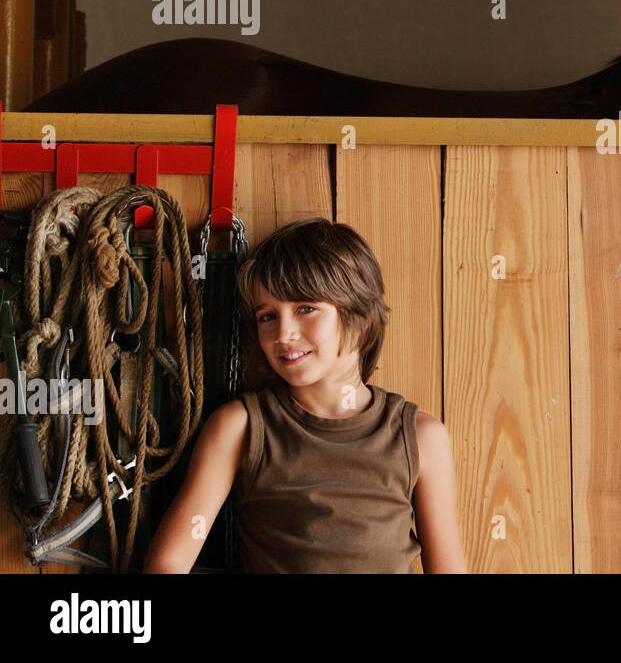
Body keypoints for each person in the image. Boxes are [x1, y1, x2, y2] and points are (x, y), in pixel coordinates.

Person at [143, 217, 467, 573]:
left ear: (360, 315)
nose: (283, 333)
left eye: (306, 308)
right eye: (267, 316)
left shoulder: (420, 437)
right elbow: (169, 562)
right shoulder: (240, 428)